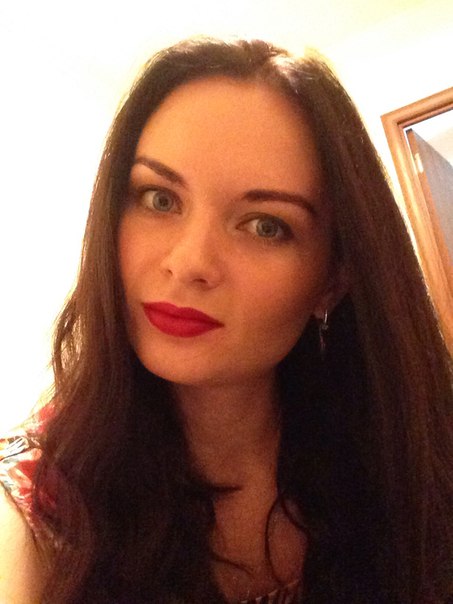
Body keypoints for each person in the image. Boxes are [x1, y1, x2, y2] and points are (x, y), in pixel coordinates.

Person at [0, 36, 452, 604]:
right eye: (159, 199)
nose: (189, 262)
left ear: (333, 278)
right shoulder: (38, 500)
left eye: (265, 225)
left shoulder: (413, 459)